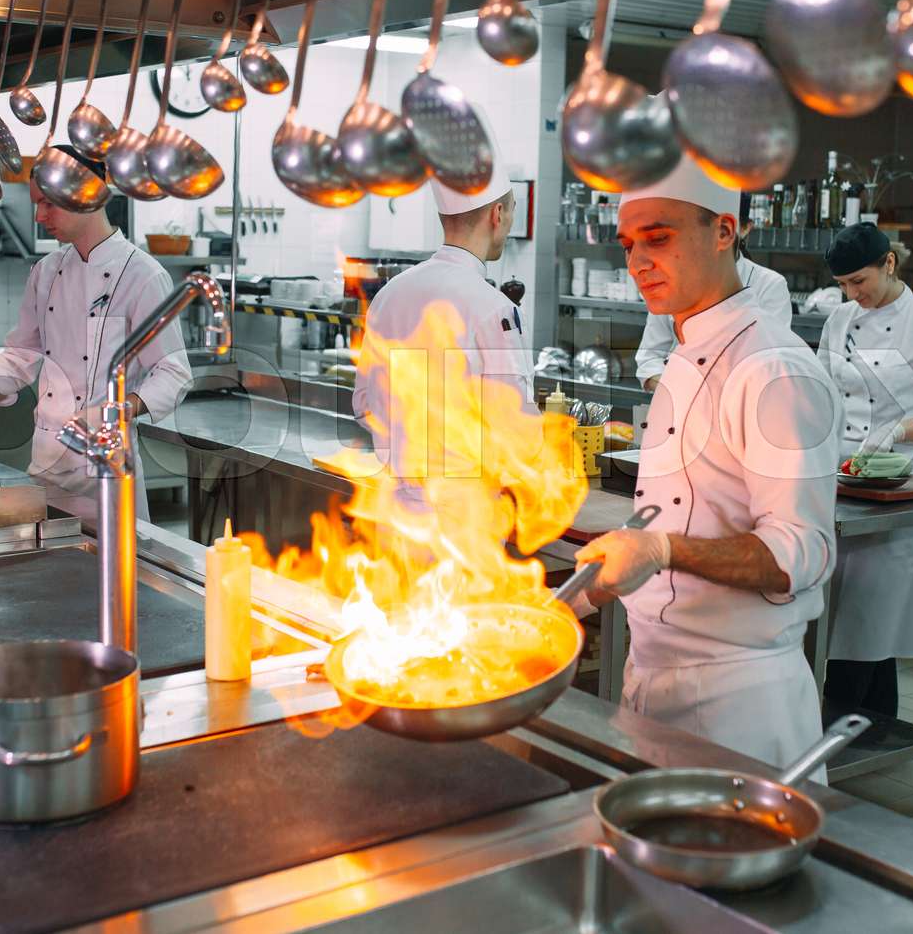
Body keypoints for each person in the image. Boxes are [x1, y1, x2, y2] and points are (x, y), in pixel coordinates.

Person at [573, 159, 841, 771]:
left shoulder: (772, 367)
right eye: (628, 244)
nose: (637, 261)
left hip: (738, 704)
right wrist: (568, 603)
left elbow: (802, 553)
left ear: (724, 232)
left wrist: (663, 551)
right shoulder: (683, 354)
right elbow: (671, 522)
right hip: (652, 677)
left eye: (658, 238)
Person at [0, 147, 192, 503]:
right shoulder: (45, 271)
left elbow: (174, 374)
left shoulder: (142, 275)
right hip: (45, 464)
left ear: (89, 196)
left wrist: (110, 411)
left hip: (106, 468)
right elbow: (20, 357)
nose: (38, 216)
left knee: (115, 558)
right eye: (37, 203)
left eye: (48, 203)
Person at [817, 223, 913, 719]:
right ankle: (877, 723)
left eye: (859, 281)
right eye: (843, 284)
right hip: (842, 480)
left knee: (870, 614)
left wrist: (902, 430)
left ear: (889, 263)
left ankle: (832, 734)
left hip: (902, 486)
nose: (851, 294)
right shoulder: (839, 321)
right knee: (853, 619)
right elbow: (823, 393)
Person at [351, 168, 532, 468]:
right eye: (512, 212)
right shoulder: (496, 309)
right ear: (497, 215)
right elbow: (517, 428)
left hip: (392, 503)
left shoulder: (387, 295)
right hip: (467, 506)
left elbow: (364, 405)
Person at [633, 171, 793, 390]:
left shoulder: (769, 285)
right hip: (673, 406)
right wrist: (674, 391)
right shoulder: (670, 280)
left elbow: (768, 364)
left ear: (743, 229)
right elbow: (649, 358)